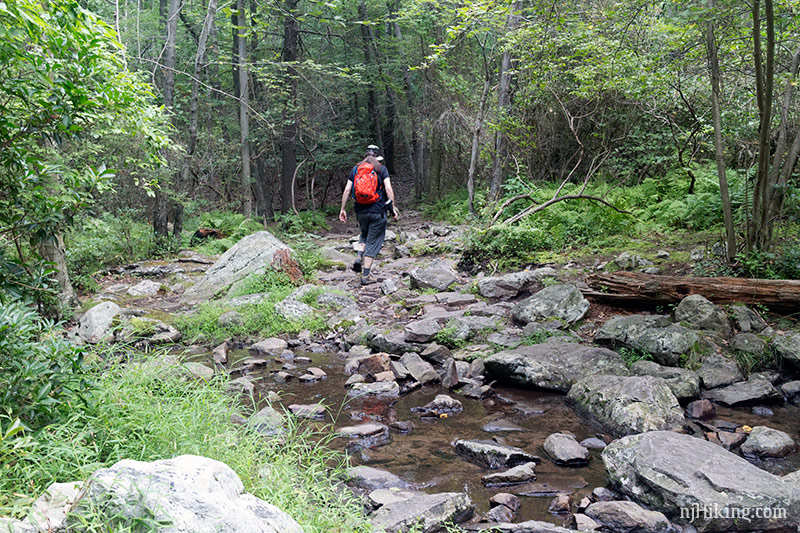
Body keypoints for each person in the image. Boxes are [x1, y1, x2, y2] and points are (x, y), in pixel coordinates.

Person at [339, 145, 399, 285]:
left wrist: (343, 209)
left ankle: (359, 256)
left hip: (360, 210)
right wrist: (393, 208)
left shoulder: (356, 169)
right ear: (378, 157)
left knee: (364, 234)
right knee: (374, 241)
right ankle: (366, 276)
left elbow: (347, 190)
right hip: (377, 210)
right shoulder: (381, 169)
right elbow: (388, 188)